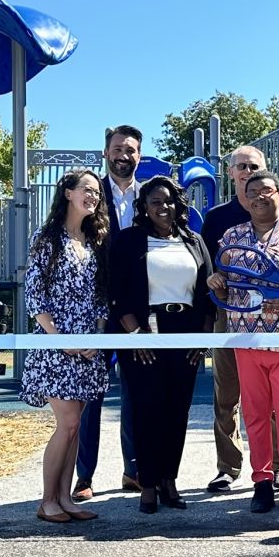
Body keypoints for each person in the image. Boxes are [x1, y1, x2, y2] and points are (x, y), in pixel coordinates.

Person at [209, 170, 279, 514]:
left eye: (266, 191)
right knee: (255, 414)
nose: (259, 196)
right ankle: (261, 481)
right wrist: (216, 282)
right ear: (244, 199)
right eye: (252, 192)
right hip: (246, 339)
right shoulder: (232, 237)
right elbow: (224, 286)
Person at [108, 175, 215, 514]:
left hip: (186, 333)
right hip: (144, 331)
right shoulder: (129, 241)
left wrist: (203, 338)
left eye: (168, 201)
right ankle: (148, 485)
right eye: (155, 201)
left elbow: (207, 294)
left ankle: (170, 481)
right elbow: (117, 293)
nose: (163, 207)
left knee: (177, 410)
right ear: (144, 206)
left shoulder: (194, 240)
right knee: (146, 409)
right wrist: (135, 334)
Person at [21, 169, 109, 524]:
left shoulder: (93, 241)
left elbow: (100, 296)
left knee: (74, 428)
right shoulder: (47, 239)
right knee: (68, 422)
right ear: (68, 193)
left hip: (87, 349)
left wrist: (96, 337)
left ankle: (64, 498)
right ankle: (47, 501)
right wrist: (60, 338)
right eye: (87, 189)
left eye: (97, 192)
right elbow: (34, 294)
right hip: (55, 347)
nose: (93, 196)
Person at [200, 144, 279, 493]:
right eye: (241, 166)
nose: (247, 172)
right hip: (229, 314)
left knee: (272, 396)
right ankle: (228, 466)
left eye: (254, 166)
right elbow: (208, 269)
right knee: (226, 393)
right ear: (231, 173)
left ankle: (277, 467)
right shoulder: (216, 218)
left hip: (272, 316)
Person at [72, 124, 143, 502]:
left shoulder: (152, 196)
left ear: (139, 156)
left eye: (130, 150)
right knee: (90, 397)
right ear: (106, 153)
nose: (123, 156)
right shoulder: (90, 195)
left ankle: (134, 471)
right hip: (95, 311)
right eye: (118, 149)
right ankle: (84, 477)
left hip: (136, 312)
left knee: (135, 393)